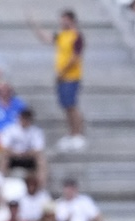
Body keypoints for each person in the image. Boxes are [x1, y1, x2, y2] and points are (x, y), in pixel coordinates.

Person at [30, 11, 86, 150]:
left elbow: (75, 57)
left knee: (72, 106)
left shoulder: (76, 36)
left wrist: (62, 72)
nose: (62, 23)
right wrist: (35, 25)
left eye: (64, 20)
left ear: (72, 20)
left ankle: (78, 133)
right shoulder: (62, 35)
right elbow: (46, 38)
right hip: (62, 77)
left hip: (71, 76)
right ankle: (71, 133)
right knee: (66, 106)